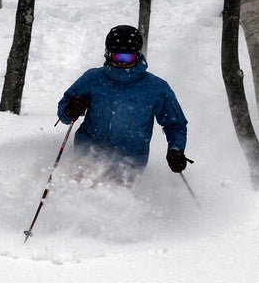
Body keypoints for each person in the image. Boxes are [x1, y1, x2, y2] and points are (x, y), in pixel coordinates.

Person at [57, 25, 189, 185]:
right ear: (108, 54)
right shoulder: (93, 79)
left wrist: (175, 149)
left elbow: (175, 124)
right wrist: (70, 110)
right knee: (80, 193)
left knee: (113, 201)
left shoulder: (156, 88)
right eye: (118, 57)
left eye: (128, 58)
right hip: (87, 154)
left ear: (138, 56)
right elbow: (63, 114)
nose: (122, 63)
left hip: (129, 162)